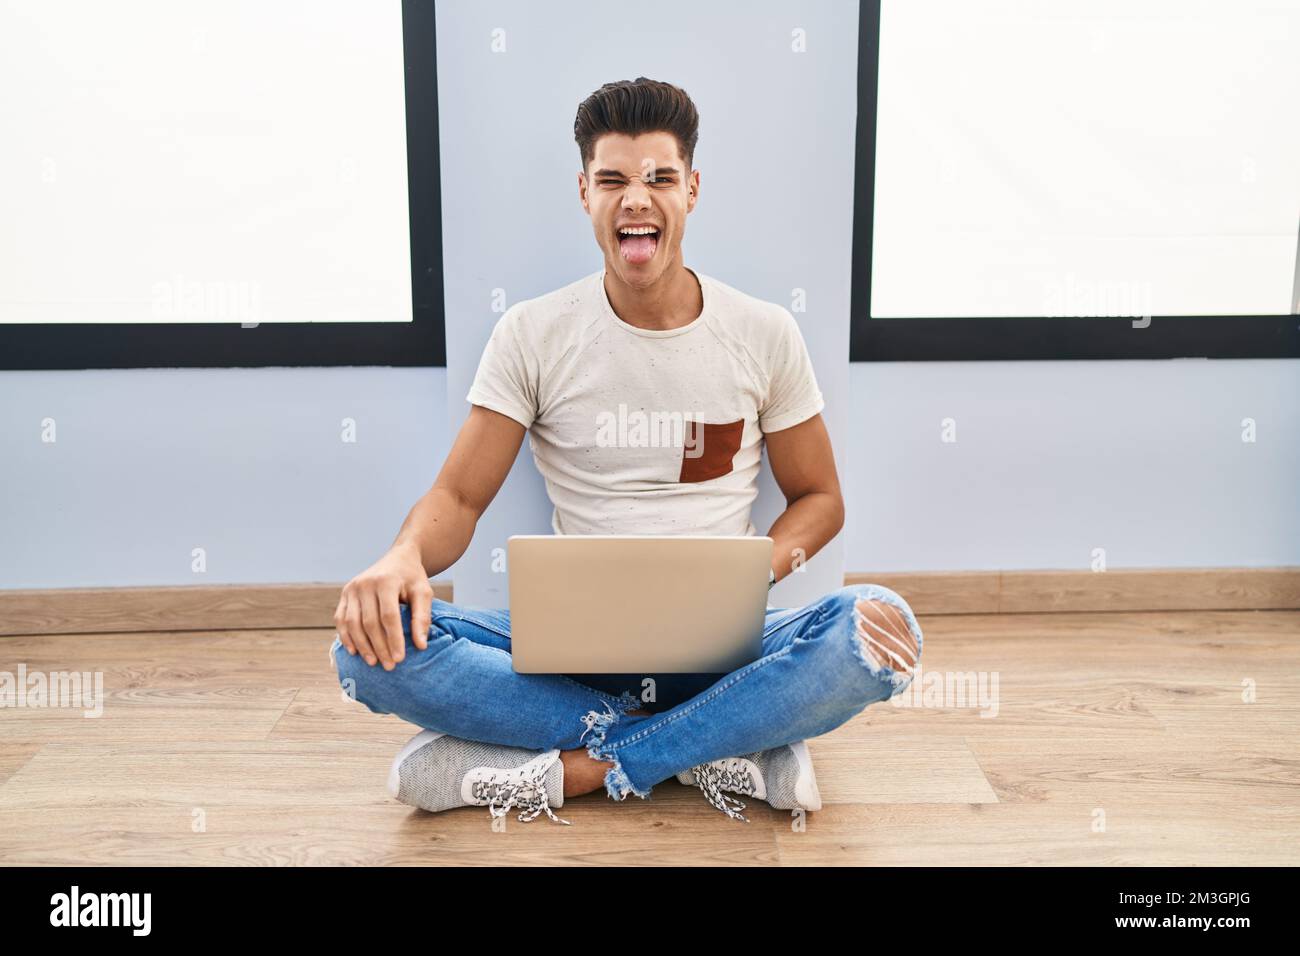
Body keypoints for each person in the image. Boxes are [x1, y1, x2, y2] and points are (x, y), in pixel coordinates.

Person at [330, 77, 923, 825]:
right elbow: (457, 500)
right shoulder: (532, 333)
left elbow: (821, 499)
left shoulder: (764, 331)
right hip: (577, 648)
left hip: (725, 648)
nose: (636, 198)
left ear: (692, 191)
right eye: (612, 180)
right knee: (364, 649)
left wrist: (744, 579)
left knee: (880, 625)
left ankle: (578, 768)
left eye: (659, 179)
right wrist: (402, 556)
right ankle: (723, 742)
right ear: (584, 193)